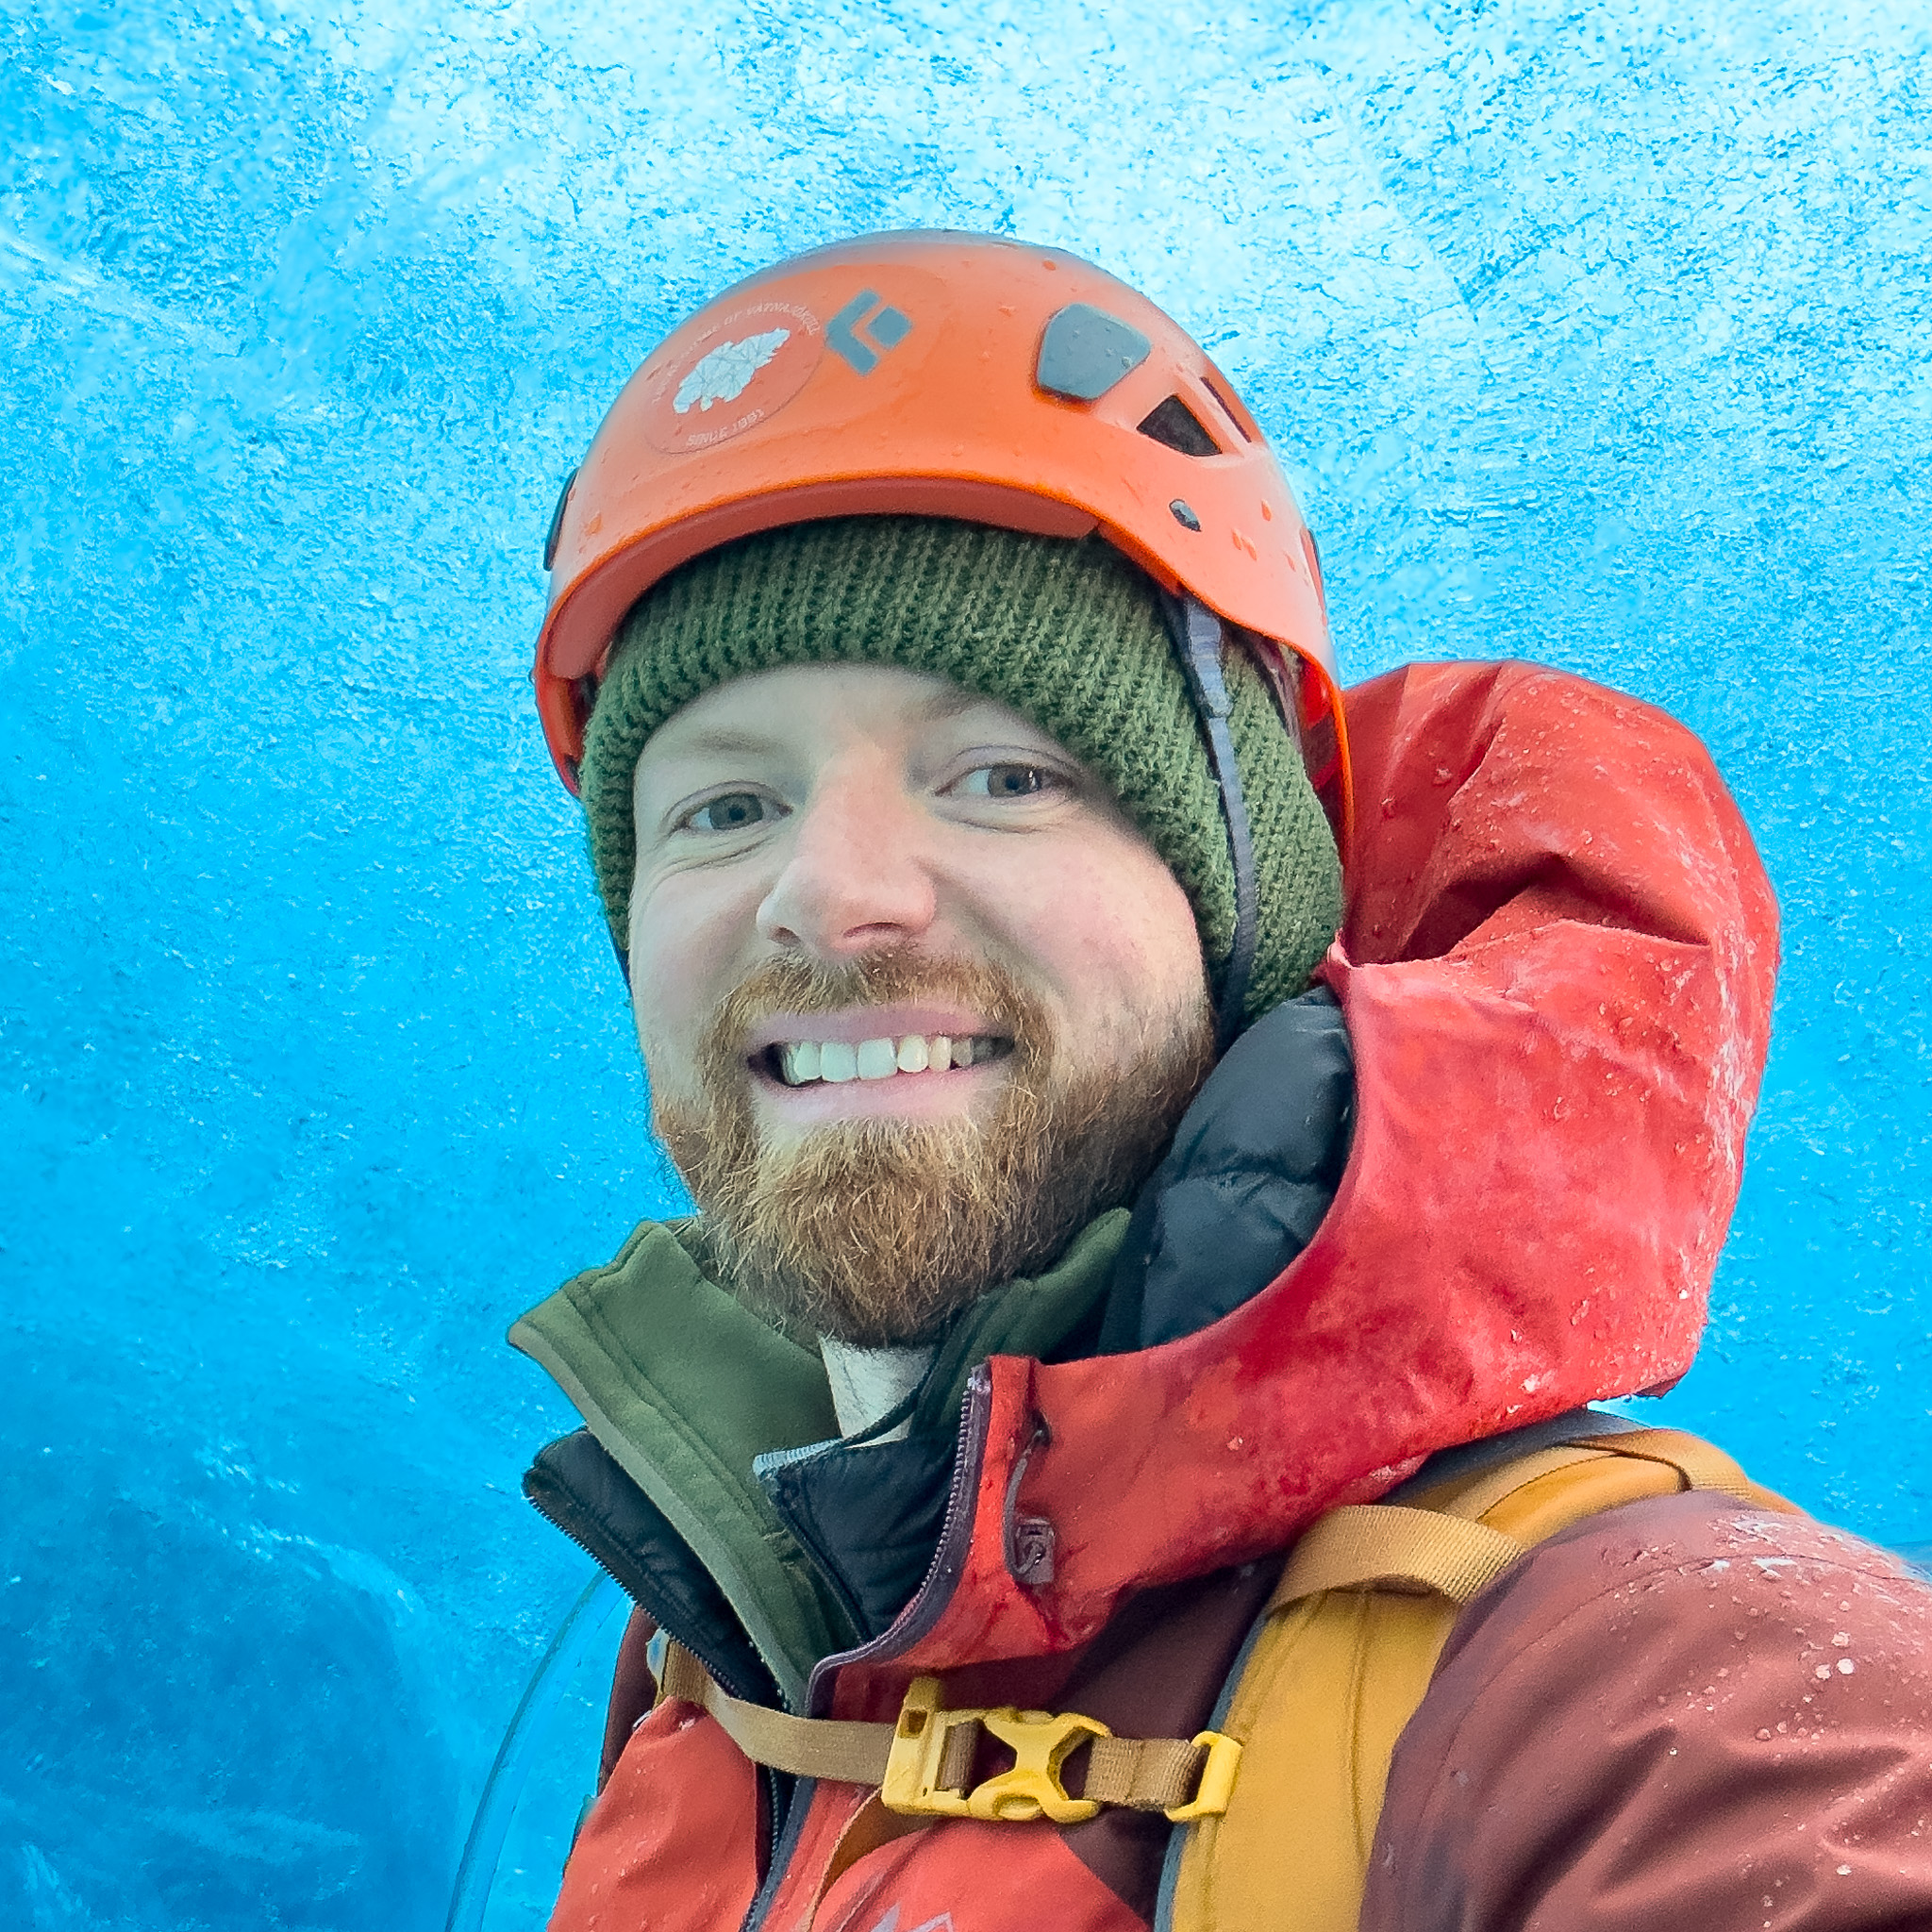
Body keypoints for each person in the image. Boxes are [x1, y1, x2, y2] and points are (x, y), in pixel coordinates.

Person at [508, 231, 1932, 1932]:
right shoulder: (714, 1659)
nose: (831, 891)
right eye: (724, 809)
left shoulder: (1651, 1682)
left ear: (1244, 900)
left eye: (1000, 774)